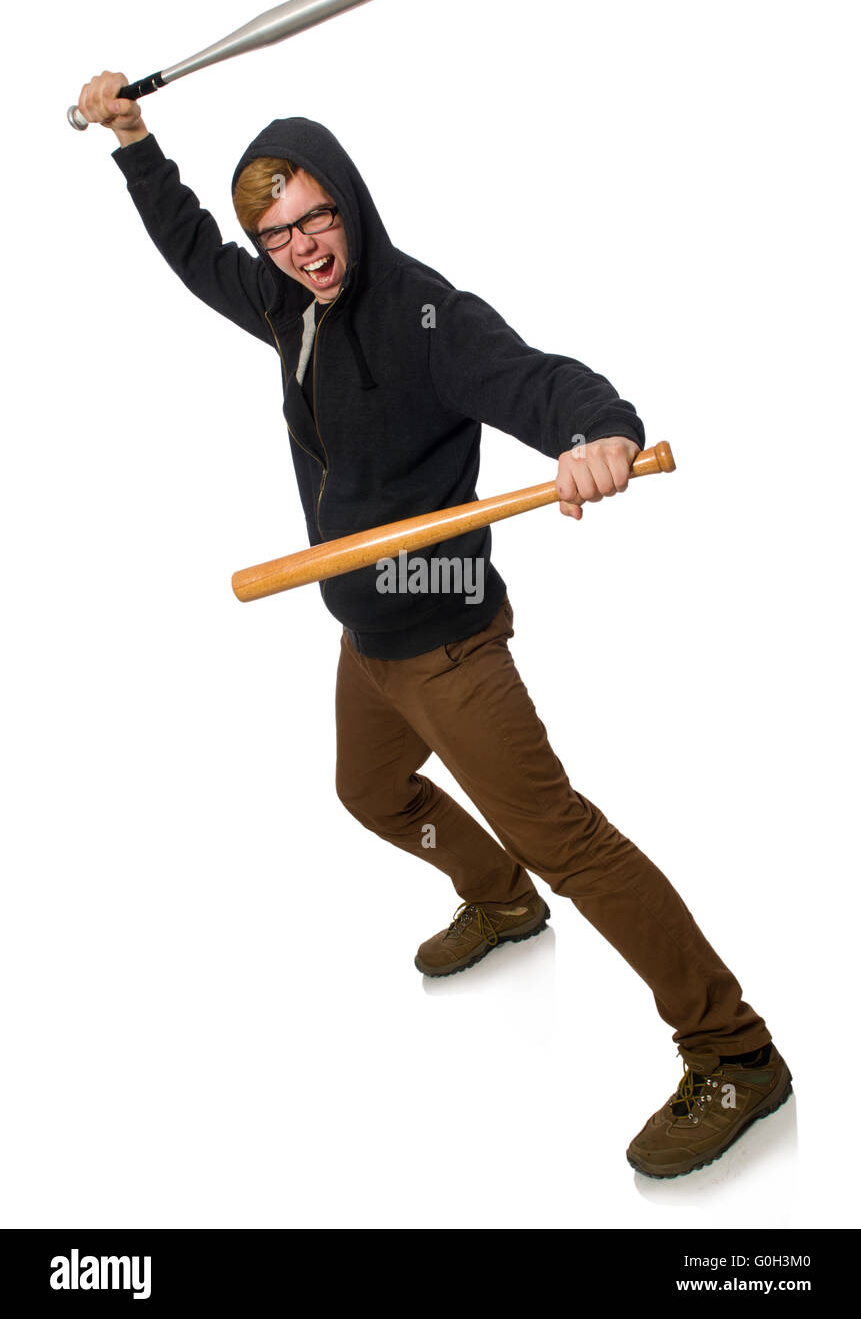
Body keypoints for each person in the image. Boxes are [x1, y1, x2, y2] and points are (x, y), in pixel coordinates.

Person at [75, 72, 793, 1179]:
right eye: (276, 232)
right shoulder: (284, 306)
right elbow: (188, 247)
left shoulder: (426, 315)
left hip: (451, 644)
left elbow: (537, 378)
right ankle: (497, 898)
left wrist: (598, 429)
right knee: (371, 795)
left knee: (571, 842)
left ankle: (734, 1051)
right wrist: (131, 141)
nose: (302, 247)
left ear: (350, 204)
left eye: (317, 218)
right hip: (367, 641)